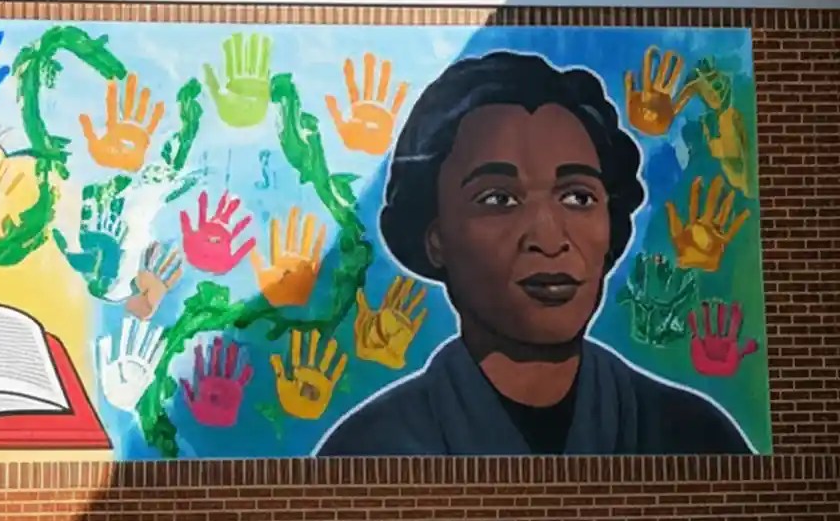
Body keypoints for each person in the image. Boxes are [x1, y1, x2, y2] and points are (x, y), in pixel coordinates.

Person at [314, 51, 753, 456]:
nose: (549, 238)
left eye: (578, 198)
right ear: (436, 238)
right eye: (497, 199)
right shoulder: (369, 449)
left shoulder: (694, 434)